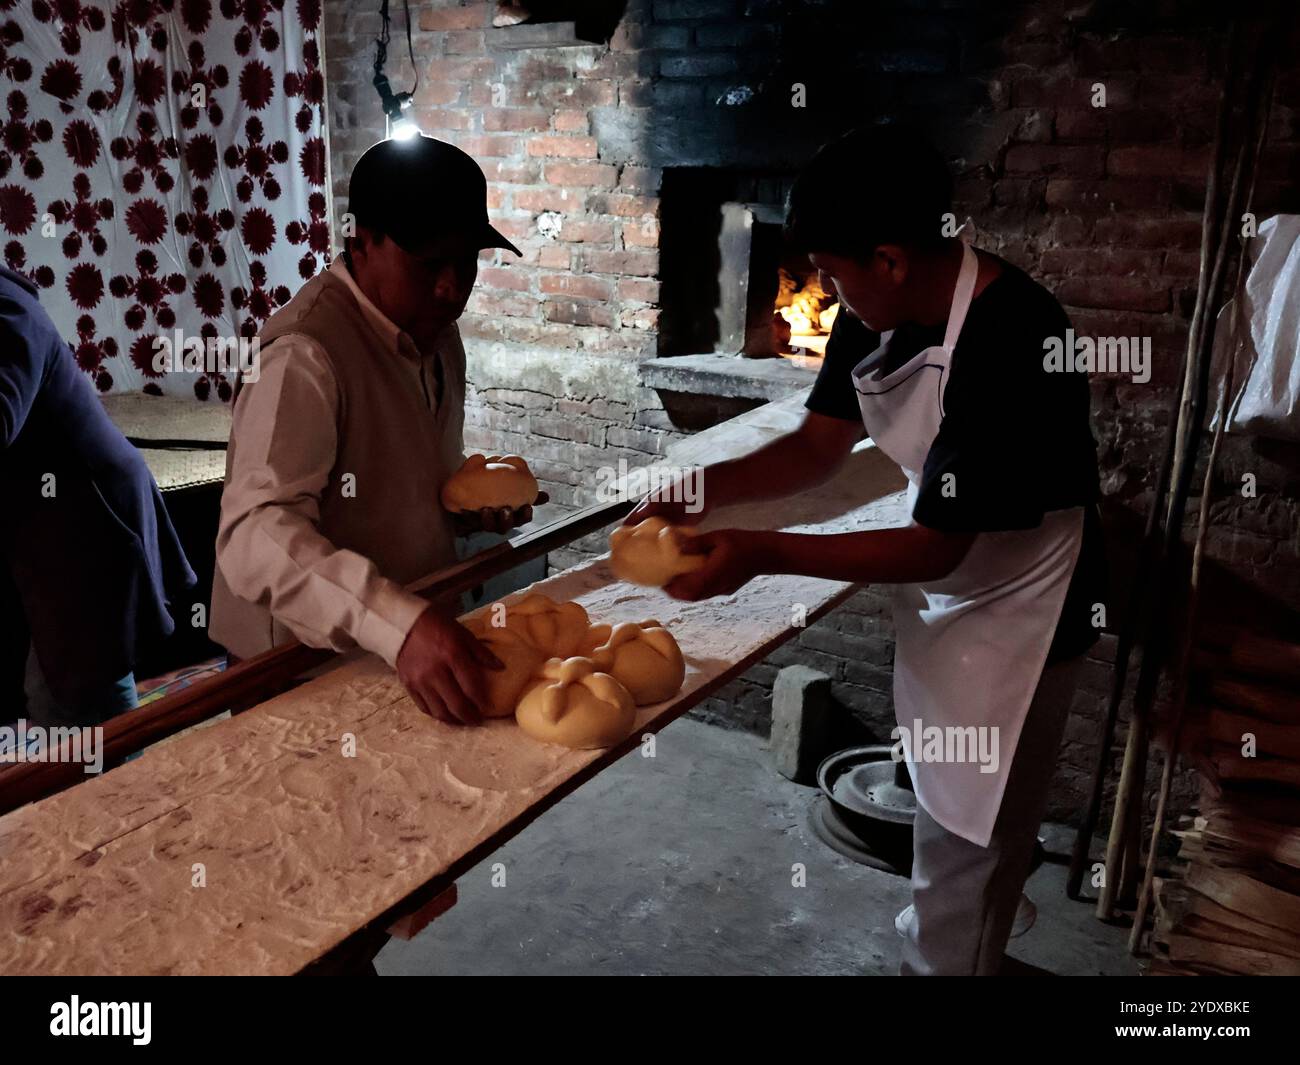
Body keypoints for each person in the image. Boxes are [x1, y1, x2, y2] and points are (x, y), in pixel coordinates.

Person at [629, 126, 1106, 976]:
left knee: (979, 826)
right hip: (954, 582)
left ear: (889, 257)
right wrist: (699, 491)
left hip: (1025, 603)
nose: (827, 294)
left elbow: (936, 549)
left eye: (835, 274)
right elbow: (816, 447)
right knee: (945, 801)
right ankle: (955, 949)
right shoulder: (878, 308)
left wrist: (760, 552)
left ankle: (953, 960)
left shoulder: (1014, 335)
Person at [211, 136, 544, 725]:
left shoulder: (437, 336)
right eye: (427, 264)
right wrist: (399, 622)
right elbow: (255, 534)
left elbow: (399, 481)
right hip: (297, 671)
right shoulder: (302, 355)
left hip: (404, 652)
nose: (451, 286)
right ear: (360, 241)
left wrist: (463, 513)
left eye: (465, 260)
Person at [0, 266, 195, 731]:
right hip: (55, 520)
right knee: (73, 684)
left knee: (76, 694)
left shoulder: (8, 312)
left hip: (90, 519)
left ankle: (128, 799)